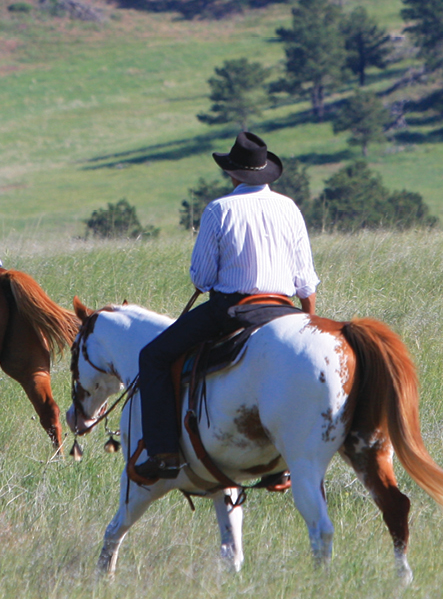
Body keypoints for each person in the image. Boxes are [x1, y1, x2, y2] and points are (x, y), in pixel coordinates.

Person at [133, 131, 319, 482]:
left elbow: (201, 279)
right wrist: (308, 325)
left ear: (233, 173)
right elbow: (305, 282)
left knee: (153, 357)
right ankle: (284, 464)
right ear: (264, 172)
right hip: (285, 311)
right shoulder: (290, 208)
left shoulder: (219, 210)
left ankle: (164, 453)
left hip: (234, 311)